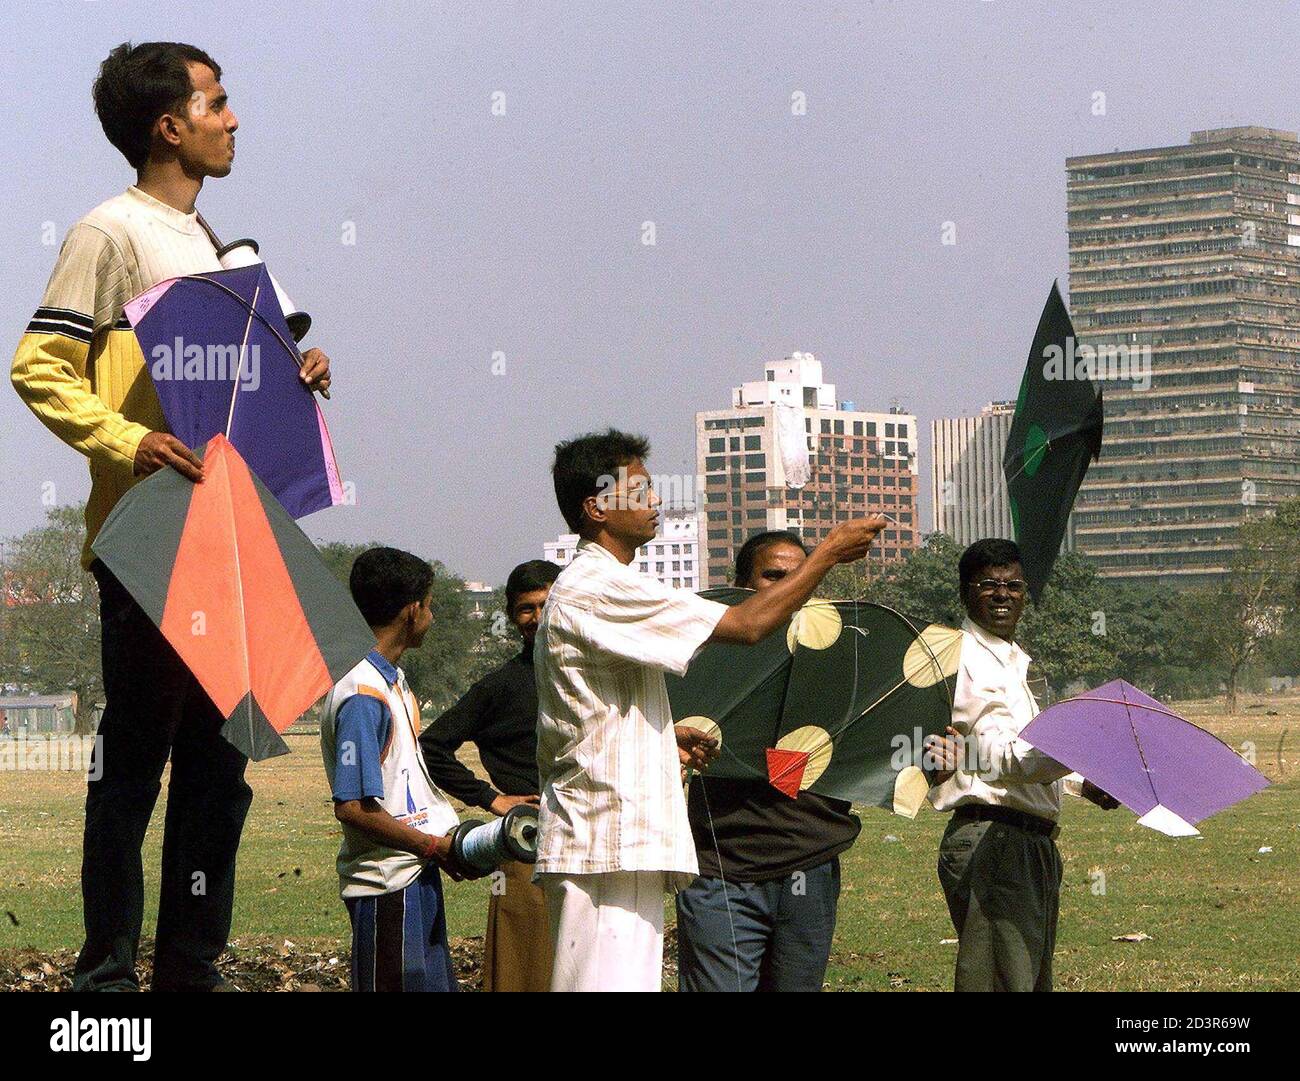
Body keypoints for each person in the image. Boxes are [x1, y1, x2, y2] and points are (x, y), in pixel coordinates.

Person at [9, 42, 331, 991]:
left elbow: (230, 387)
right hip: (149, 540)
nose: (233, 119)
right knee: (132, 770)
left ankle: (191, 970)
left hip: (235, 543)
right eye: (218, 102)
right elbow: (37, 367)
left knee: (220, 772)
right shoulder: (110, 234)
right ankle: (105, 982)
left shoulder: (218, 243)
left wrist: (298, 373)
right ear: (169, 125)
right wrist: (129, 441)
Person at [534, 429, 887, 991]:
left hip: (624, 839)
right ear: (597, 505)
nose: (656, 501)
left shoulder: (613, 585)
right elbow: (748, 626)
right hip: (604, 841)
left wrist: (662, 741)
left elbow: (600, 715)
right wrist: (828, 553)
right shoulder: (595, 587)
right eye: (641, 489)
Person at [926, 538, 1117, 993]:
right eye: (988, 584)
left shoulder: (1012, 661)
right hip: (996, 840)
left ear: (1025, 593)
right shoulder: (968, 658)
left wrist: (1083, 782)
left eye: (1013, 585)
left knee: (1025, 978)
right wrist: (1075, 747)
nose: (1002, 594)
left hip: (1025, 841)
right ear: (965, 593)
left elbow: (1024, 749)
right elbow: (998, 756)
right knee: (1003, 980)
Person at [676, 531, 861, 992]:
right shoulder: (698, 660)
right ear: (740, 586)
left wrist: (934, 754)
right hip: (724, 870)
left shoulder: (846, 666)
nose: (789, 586)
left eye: (802, 575)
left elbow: (874, 753)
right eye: (773, 576)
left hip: (809, 867)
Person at [321, 547, 465, 992]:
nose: (432, 616)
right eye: (430, 605)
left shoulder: (392, 680)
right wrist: (432, 846)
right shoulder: (363, 694)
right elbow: (353, 808)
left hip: (414, 872)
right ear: (411, 610)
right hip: (388, 887)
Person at [419, 558, 560, 992]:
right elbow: (433, 746)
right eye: (526, 609)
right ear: (513, 617)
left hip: (595, 836)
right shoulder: (500, 687)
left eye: (548, 603)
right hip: (527, 845)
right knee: (521, 970)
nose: (538, 617)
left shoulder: (596, 674)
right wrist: (490, 799)